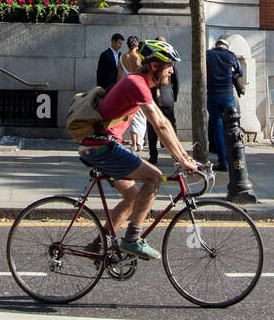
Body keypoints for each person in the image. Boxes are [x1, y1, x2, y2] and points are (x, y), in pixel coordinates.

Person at [77, 38, 198, 261]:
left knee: (133, 196)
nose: (171, 71)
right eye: (169, 66)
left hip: (98, 146)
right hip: (101, 147)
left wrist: (184, 156)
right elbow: (159, 124)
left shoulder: (140, 84)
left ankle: (97, 245)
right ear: (154, 66)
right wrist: (181, 160)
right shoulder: (137, 83)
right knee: (154, 178)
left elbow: (163, 121)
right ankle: (132, 239)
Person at [205, 37, 244, 171]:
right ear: (226, 47)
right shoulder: (230, 55)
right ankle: (233, 157)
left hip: (213, 95)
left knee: (218, 128)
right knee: (231, 127)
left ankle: (222, 161)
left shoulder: (208, 54)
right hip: (227, 95)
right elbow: (240, 71)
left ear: (216, 46)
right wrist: (231, 77)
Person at [118, 35, 147, 154]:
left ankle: (134, 143)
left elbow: (119, 76)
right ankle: (139, 142)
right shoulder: (138, 58)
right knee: (140, 116)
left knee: (132, 116)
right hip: (137, 87)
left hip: (126, 88)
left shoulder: (122, 58)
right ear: (137, 45)